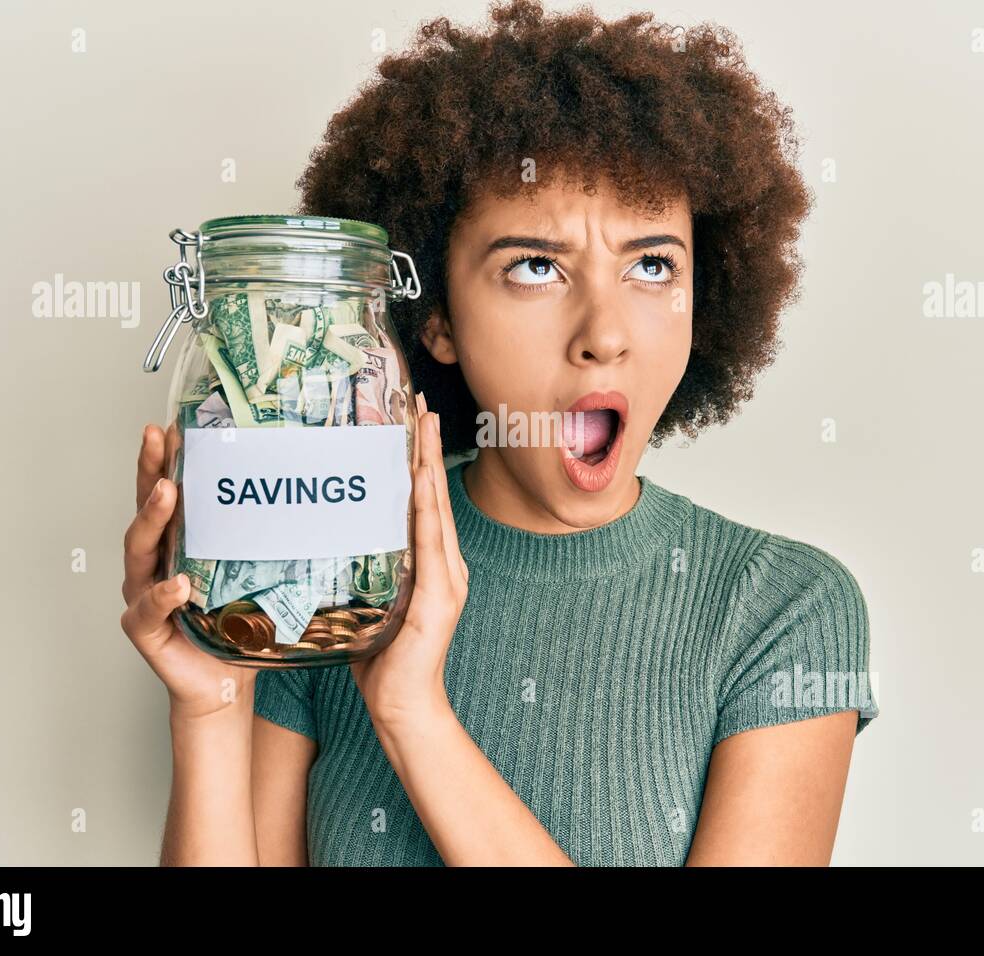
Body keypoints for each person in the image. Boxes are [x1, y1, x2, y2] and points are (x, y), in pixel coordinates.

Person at [121, 0, 878, 866]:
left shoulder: (782, 609)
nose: (606, 330)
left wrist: (412, 712)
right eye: (534, 265)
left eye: (653, 264)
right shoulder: (341, 560)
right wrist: (212, 702)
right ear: (436, 320)